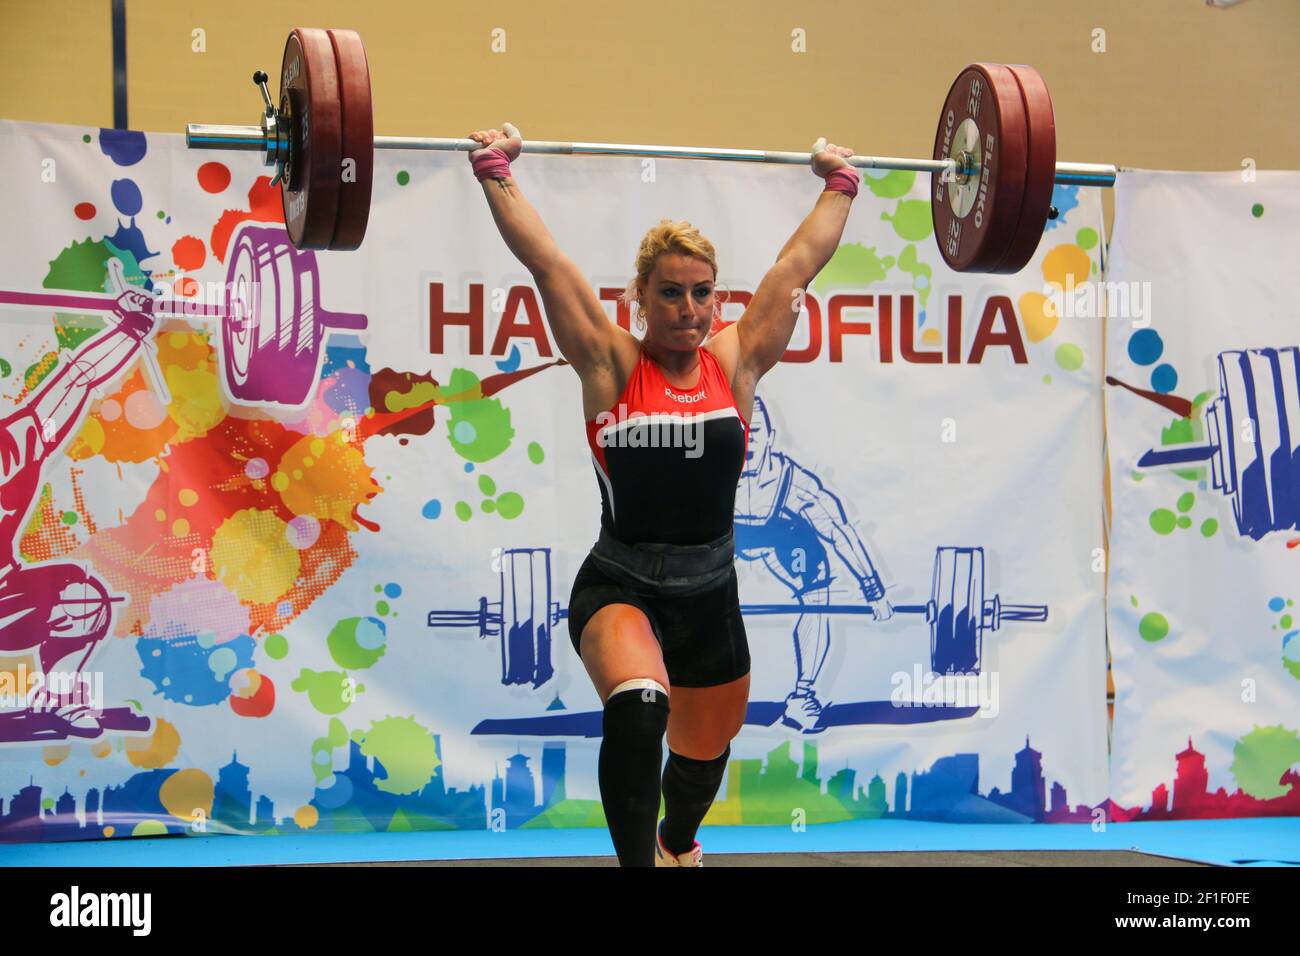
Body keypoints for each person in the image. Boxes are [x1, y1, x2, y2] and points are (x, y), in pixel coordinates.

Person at [469, 123, 862, 866]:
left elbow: (797, 265)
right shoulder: (610, 363)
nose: (689, 307)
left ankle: (677, 843)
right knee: (640, 708)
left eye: (702, 293)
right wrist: (494, 170)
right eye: (671, 293)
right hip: (620, 584)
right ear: (641, 297)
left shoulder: (735, 361)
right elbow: (547, 263)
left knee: (702, 758)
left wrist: (840, 182)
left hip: (710, 597)